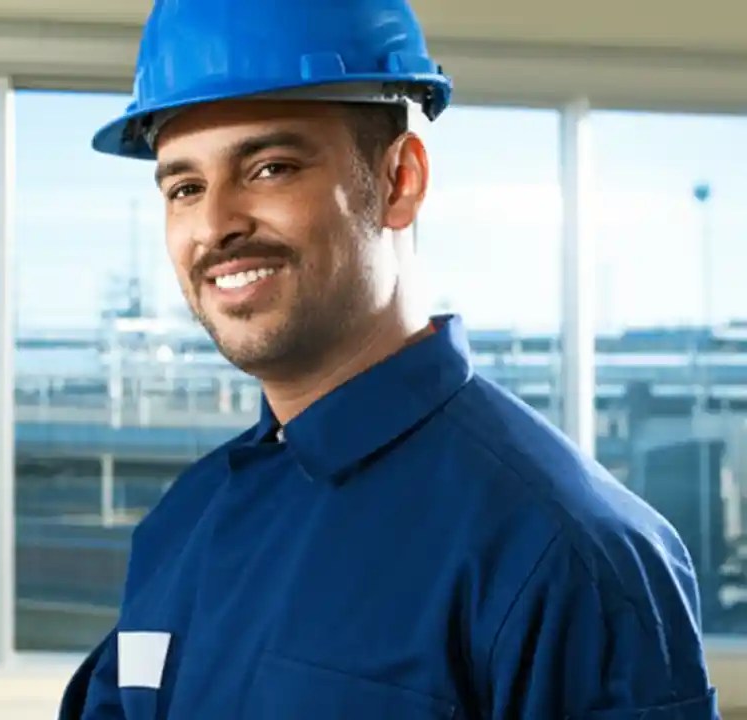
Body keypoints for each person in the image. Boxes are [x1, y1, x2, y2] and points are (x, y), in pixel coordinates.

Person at [57, 0, 720, 718]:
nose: (215, 225)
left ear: (400, 180)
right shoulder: (183, 524)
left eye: (271, 168)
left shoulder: (564, 553)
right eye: (185, 188)